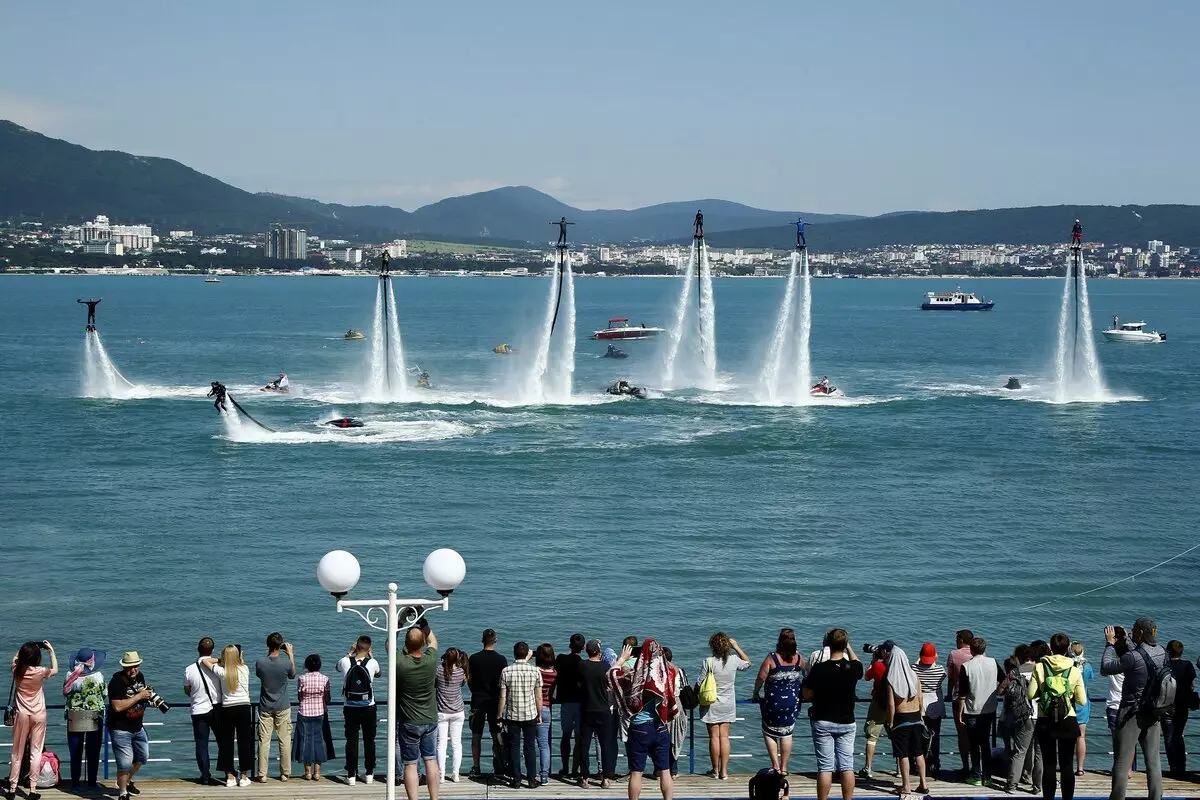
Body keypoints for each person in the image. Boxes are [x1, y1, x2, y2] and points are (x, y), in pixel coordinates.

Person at [1102, 617, 1167, 800]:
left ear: (1140, 633)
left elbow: (1105, 668)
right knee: (1153, 762)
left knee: (1122, 763)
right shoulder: (1162, 652)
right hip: (1154, 712)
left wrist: (1109, 644)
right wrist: (1126, 641)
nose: (1130, 632)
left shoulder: (1132, 657)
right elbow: (1142, 656)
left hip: (1131, 713)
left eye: (1133, 630)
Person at [607, 639, 682, 800]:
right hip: (660, 726)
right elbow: (675, 673)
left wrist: (622, 659)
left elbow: (611, 676)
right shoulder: (667, 675)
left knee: (636, 773)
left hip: (639, 727)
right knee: (665, 771)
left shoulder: (633, 676)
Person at [802, 628, 862, 800]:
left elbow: (807, 693)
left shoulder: (820, 669)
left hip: (823, 720)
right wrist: (848, 647)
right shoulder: (853, 668)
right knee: (847, 766)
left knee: (825, 767)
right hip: (847, 721)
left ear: (827, 644)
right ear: (845, 645)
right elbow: (857, 663)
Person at [1027, 633, 1086, 800]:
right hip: (1068, 720)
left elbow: (1030, 694)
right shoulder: (1074, 670)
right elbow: (1081, 700)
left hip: (1046, 720)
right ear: (1067, 649)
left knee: (1049, 765)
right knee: (1067, 765)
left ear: (1051, 648)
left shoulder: (1040, 667)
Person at [7, 641, 57, 800]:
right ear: (37, 657)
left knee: (17, 753)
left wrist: (26, 647)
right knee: (36, 752)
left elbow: (15, 657)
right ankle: (33, 789)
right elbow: (55, 669)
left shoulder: (17, 670)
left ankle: (12, 789)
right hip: (39, 714)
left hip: (21, 715)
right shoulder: (41, 671)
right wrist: (51, 650)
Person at [698, 632, 752, 779]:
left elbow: (699, 683)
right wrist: (737, 647)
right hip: (728, 704)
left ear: (712, 646)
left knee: (714, 738)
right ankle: (724, 772)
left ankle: (715, 770)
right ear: (728, 646)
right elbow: (748, 663)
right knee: (725, 737)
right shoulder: (734, 660)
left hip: (711, 704)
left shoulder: (708, 662)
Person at [395, 626, 440, 800]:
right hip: (429, 717)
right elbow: (433, 641)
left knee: (411, 765)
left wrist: (398, 625)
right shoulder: (431, 660)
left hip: (409, 720)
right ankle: (434, 798)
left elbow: (389, 644)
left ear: (406, 644)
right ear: (422, 643)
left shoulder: (400, 662)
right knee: (430, 760)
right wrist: (424, 624)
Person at [752, 628, 805, 775]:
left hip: (773, 702)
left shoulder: (772, 658)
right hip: (792, 702)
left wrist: (755, 694)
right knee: (787, 734)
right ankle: (784, 768)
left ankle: (775, 765)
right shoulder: (798, 658)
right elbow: (807, 673)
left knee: (769, 732)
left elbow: (760, 678)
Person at [107, 651, 154, 800]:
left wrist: (149, 701)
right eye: (129, 667)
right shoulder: (116, 682)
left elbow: (141, 698)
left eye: (135, 666)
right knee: (125, 764)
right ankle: (123, 793)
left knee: (143, 757)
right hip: (120, 729)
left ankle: (125, 781)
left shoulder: (140, 677)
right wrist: (139, 696)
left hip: (138, 727)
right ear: (124, 667)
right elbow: (117, 707)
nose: (133, 670)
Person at [955, 637, 1002, 786]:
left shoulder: (966, 666)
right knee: (986, 743)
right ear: (985, 649)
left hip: (972, 708)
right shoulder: (993, 662)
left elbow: (962, 692)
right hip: (989, 708)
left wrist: (960, 711)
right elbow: (1004, 679)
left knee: (974, 744)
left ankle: (976, 775)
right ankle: (987, 776)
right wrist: (997, 692)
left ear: (971, 650)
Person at [882, 646, 927, 797]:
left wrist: (891, 722)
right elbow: (920, 698)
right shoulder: (914, 675)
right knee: (919, 753)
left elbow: (891, 704)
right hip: (916, 717)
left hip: (901, 719)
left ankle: (906, 786)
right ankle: (923, 783)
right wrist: (920, 715)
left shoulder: (891, 679)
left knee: (903, 754)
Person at [205, 645, 253, 787]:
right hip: (244, 707)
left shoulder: (222, 671)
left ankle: (230, 777)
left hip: (227, 708)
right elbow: (241, 663)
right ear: (238, 656)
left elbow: (204, 662)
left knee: (226, 743)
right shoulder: (245, 669)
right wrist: (236, 658)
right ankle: (244, 777)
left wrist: (221, 659)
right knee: (245, 742)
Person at [337, 635, 381, 786]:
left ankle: (351, 775)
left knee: (351, 741)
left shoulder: (344, 661)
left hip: (350, 707)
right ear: (369, 649)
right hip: (369, 707)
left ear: (356, 647)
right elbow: (378, 673)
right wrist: (371, 656)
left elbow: (337, 667)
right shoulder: (373, 662)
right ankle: (369, 773)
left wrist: (349, 653)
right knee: (369, 740)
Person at [497, 641, 542, 789]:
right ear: (526, 654)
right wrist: (539, 713)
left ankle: (515, 779)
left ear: (514, 653)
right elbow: (538, 697)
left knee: (514, 747)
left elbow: (503, 696)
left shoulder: (506, 671)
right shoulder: (535, 671)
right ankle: (531, 779)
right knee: (530, 747)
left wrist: (499, 715)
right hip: (530, 714)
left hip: (512, 715)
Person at [63, 647, 107, 790]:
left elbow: (66, 692)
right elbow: (104, 693)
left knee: (75, 751)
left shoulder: (70, 674)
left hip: (74, 716)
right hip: (93, 715)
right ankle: (92, 783)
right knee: (93, 751)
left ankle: (75, 783)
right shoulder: (98, 676)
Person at [256, 632, 297, 781]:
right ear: (281, 646)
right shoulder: (286, 663)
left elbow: (259, 675)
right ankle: (285, 773)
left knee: (263, 741)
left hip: (265, 706)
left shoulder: (260, 662)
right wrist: (290, 654)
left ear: (268, 645)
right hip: (283, 705)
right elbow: (293, 675)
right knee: (285, 740)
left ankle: (262, 774)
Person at [467, 629, 507, 779]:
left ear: (482, 640)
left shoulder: (474, 659)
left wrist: (474, 691)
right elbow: (503, 683)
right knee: (497, 735)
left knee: (476, 735)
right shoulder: (501, 660)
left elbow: (469, 680)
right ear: (495, 641)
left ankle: (476, 767)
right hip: (495, 701)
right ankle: (500, 767)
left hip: (477, 700)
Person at [183, 638, 222, 786]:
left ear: (197, 649)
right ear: (212, 650)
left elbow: (188, 690)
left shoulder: (189, 669)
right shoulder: (218, 666)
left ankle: (205, 775)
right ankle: (228, 772)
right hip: (217, 709)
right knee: (222, 742)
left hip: (198, 710)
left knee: (201, 745)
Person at [578, 639, 614, 788]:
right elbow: (610, 686)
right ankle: (605, 778)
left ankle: (585, 777)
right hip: (603, 709)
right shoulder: (606, 667)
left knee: (584, 745)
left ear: (587, 651)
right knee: (606, 745)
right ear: (599, 652)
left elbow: (578, 684)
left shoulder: (582, 666)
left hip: (587, 709)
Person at [999, 651, 1035, 793]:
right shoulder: (1036, 671)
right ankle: (1031, 779)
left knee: (1016, 751)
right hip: (1034, 715)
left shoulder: (1012, 676)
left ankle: (1012, 782)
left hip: (1014, 717)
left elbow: (999, 692)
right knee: (1032, 750)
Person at [553, 633, 586, 780]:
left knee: (565, 736)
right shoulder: (583, 664)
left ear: (569, 645)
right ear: (583, 648)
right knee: (579, 738)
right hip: (579, 703)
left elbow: (554, 678)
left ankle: (565, 767)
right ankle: (575, 769)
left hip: (565, 702)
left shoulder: (560, 659)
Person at [1104, 628, 1135, 777]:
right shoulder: (1133, 663)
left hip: (1114, 704)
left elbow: (1104, 665)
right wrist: (1126, 638)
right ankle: (1128, 769)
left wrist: (1109, 643)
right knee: (1130, 740)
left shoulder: (1114, 664)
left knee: (1116, 740)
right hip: (1129, 704)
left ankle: (1118, 767)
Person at [294, 654, 331, 781]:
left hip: (304, 712)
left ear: (306, 666)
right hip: (320, 712)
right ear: (319, 665)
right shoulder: (324, 679)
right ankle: (317, 773)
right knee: (319, 742)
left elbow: (299, 697)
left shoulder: (302, 678)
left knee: (305, 741)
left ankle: (308, 772)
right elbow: (327, 698)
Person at [1164, 640, 1197, 777]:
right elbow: (1192, 685)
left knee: (1169, 737)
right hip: (1183, 706)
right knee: (1179, 735)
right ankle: (1182, 766)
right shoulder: (1188, 665)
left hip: (1167, 705)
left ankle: (1173, 767)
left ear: (1168, 651)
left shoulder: (1165, 666)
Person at [435, 648, 468, 783]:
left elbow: (434, 684)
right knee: (456, 744)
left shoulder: (438, 671)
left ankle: (441, 775)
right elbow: (463, 683)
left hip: (442, 711)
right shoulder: (461, 672)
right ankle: (456, 774)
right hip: (457, 711)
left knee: (441, 744)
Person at [912, 643, 945, 777]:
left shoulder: (914, 669)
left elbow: (914, 665)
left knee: (919, 737)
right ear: (935, 656)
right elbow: (943, 675)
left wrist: (919, 659)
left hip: (919, 705)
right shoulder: (940, 670)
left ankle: (919, 765)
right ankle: (934, 764)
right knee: (935, 736)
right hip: (935, 705)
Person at [858, 645, 889, 780]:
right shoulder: (898, 667)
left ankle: (868, 767)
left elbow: (866, 676)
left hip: (879, 704)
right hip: (895, 706)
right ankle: (900, 770)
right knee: (897, 737)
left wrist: (873, 661)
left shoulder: (877, 666)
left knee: (872, 736)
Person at [945, 629, 975, 774]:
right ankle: (977, 766)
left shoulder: (954, 654)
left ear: (961, 640)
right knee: (975, 735)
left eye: (957, 639)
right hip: (976, 699)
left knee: (962, 735)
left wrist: (948, 694)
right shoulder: (979, 655)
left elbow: (951, 678)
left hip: (958, 698)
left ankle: (965, 766)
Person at [1070, 641, 1095, 777]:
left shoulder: (1067, 666)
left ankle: (1066, 766)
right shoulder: (1087, 666)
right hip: (1083, 704)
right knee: (1081, 737)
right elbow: (1090, 678)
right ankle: (1080, 768)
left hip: (1068, 704)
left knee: (1066, 738)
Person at [661, 647, 687, 778]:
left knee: (662, 739)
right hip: (678, 705)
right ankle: (673, 769)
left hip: (663, 705)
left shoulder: (660, 672)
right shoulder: (680, 671)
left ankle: (660, 769)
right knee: (675, 737)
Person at [534, 644, 557, 785]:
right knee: (544, 745)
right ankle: (544, 776)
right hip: (547, 708)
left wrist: (530, 655)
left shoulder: (536, 671)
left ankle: (528, 772)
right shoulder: (555, 673)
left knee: (529, 743)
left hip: (534, 709)